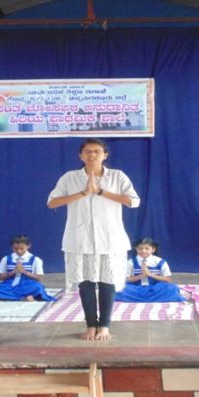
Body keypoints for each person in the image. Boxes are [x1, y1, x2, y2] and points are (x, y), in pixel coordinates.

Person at [47, 138, 140, 341]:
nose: (92, 155)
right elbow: (52, 203)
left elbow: (133, 201)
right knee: (85, 282)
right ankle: (90, 325)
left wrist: (100, 192)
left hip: (110, 239)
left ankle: (104, 325)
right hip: (79, 240)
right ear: (80, 156)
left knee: (107, 282)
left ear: (105, 155)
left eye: (97, 151)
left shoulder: (117, 176)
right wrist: (83, 193)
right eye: (87, 151)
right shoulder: (69, 178)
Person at [0, 235, 54, 301]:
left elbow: (39, 278)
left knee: (38, 287)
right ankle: (22, 297)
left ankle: (2, 297)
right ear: (12, 247)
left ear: (28, 246)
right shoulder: (6, 258)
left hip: (27, 285)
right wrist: (12, 272)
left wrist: (24, 272)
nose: (19, 251)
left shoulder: (36, 259)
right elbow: (1, 277)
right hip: (8, 285)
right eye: (15, 249)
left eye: (22, 249)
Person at [115, 238, 186, 303]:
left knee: (171, 288)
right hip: (136, 288)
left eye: (147, 248)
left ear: (153, 249)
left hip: (155, 288)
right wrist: (141, 276)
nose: (143, 251)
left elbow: (168, 280)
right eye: (140, 248)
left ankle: (136, 299)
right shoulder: (130, 262)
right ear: (136, 249)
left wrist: (150, 274)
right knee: (119, 288)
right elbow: (127, 279)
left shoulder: (160, 262)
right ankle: (156, 298)